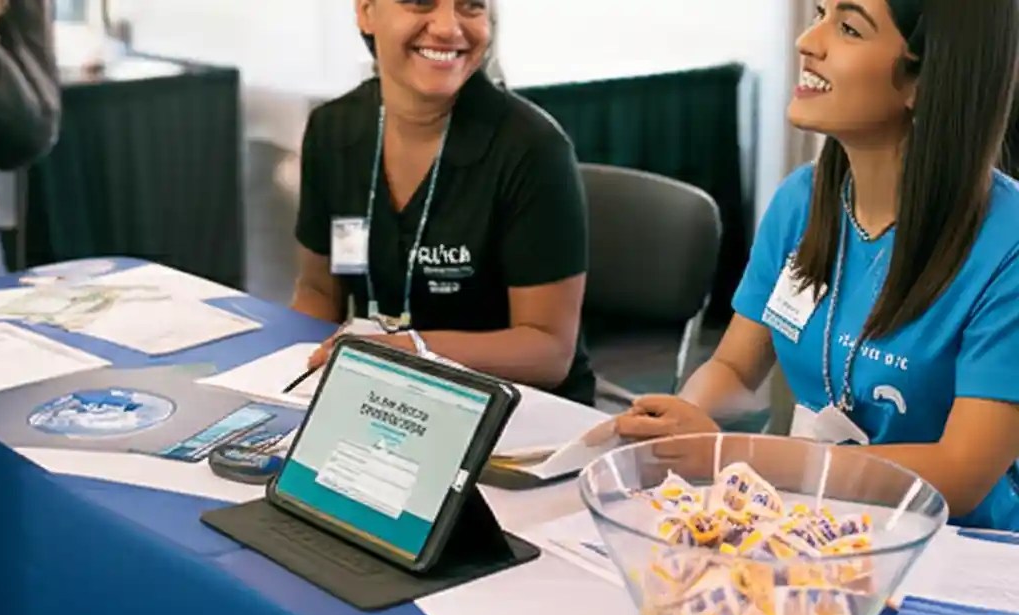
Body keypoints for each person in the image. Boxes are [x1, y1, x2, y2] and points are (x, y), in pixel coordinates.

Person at [616, 0, 1019, 530]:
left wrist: (730, 456)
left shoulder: (1006, 242)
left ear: (925, 79)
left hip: (954, 557)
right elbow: (736, 368)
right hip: (809, 523)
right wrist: (682, 429)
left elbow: (961, 474)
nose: (809, 41)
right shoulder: (803, 201)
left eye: (849, 28)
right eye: (820, 13)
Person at [290, 0, 595, 404]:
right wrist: (288, 377)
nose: (448, 28)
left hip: (513, 411)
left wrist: (410, 352)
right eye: (420, 2)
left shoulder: (533, 149)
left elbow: (549, 352)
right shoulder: (332, 130)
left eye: (471, 5)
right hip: (376, 394)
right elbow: (318, 291)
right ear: (366, 11)